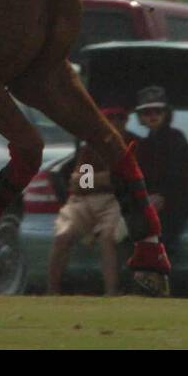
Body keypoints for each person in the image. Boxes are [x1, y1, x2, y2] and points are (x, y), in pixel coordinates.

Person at [48, 105, 130, 296]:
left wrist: (95, 179)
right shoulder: (91, 146)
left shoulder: (134, 144)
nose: (115, 123)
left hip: (117, 201)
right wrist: (108, 178)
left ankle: (111, 293)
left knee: (107, 237)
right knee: (63, 235)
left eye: (121, 118)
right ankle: (51, 292)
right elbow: (79, 184)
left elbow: (130, 180)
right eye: (110, 118)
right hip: (84, 201)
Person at [132, 86, 188, 245]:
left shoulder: (176, 139)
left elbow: (182, 175)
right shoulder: (142, 145)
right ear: (140, 117)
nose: (153, 116)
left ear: (166, 114)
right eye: (147, 112)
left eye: (158, 111)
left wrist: (163, 196)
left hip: (173, 207)